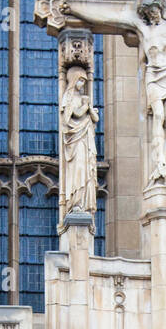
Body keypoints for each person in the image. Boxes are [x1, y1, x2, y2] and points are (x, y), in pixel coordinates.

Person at [60, 65, 98, 218]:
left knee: (85, 170)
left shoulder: (84, 100)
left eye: (84, 82)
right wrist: (87, 106)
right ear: (74, 80)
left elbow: (96, 118)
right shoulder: (70, 98)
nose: (82, 85)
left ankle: (82, 203)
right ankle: (75, 202)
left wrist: (89, 108)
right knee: (78, 170)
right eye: (80, 81)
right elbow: (73, 114)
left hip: (85, 139)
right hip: (74, 139)